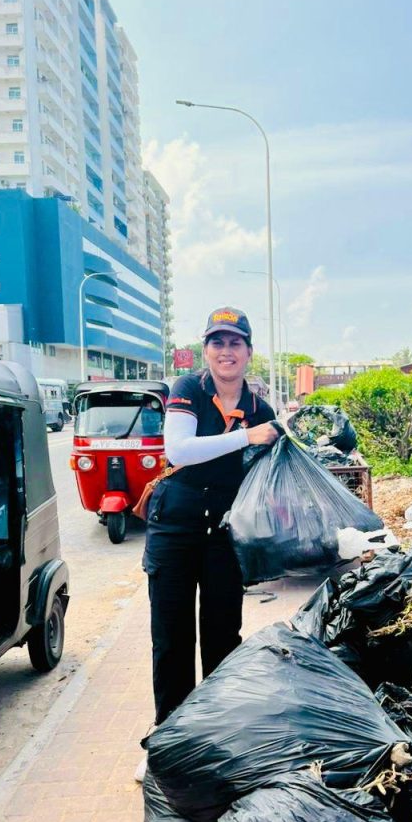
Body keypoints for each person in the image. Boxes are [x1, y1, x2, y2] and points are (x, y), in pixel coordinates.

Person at [137, 307, 278, 778]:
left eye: (235, 343)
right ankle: (168, 741)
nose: (226, 351)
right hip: (175, 530)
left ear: (249, 353)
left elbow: (269, 473)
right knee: (172, 638)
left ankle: (218, 736)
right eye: (217, 343)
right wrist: (244, 438)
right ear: (205, 351)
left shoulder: (262, 410)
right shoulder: (186, 391)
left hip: (223, 535)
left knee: (223, 639)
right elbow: (178, 450)